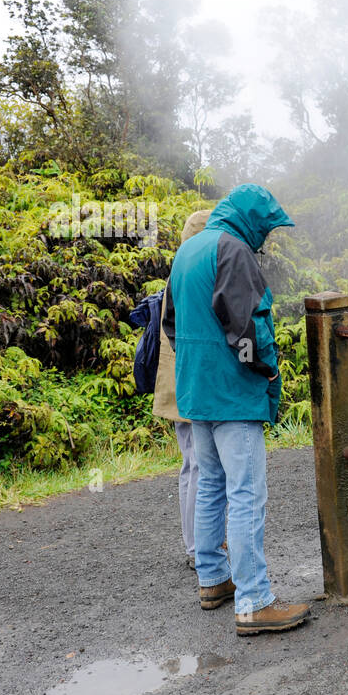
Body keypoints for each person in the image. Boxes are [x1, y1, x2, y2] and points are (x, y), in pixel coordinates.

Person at [163, 184, 311, 635]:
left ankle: (213, 579)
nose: (265, 240)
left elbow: (169, 321)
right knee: (246, 492)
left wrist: (198, 363)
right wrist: (265, 369)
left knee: (211, 484)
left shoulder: (189, 250)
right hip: (232, 394)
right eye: (265, 229)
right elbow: (248, 325)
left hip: (195, 392)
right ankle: (254, 601)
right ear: (249, 220)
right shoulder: (234, 251)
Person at [154, 209, 211, 571]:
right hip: (186, 384)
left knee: (190, 466)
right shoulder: (193, 276)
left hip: (175, 384)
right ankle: (197, 548)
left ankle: (195, 544)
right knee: (198, 466)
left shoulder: (178, 271)